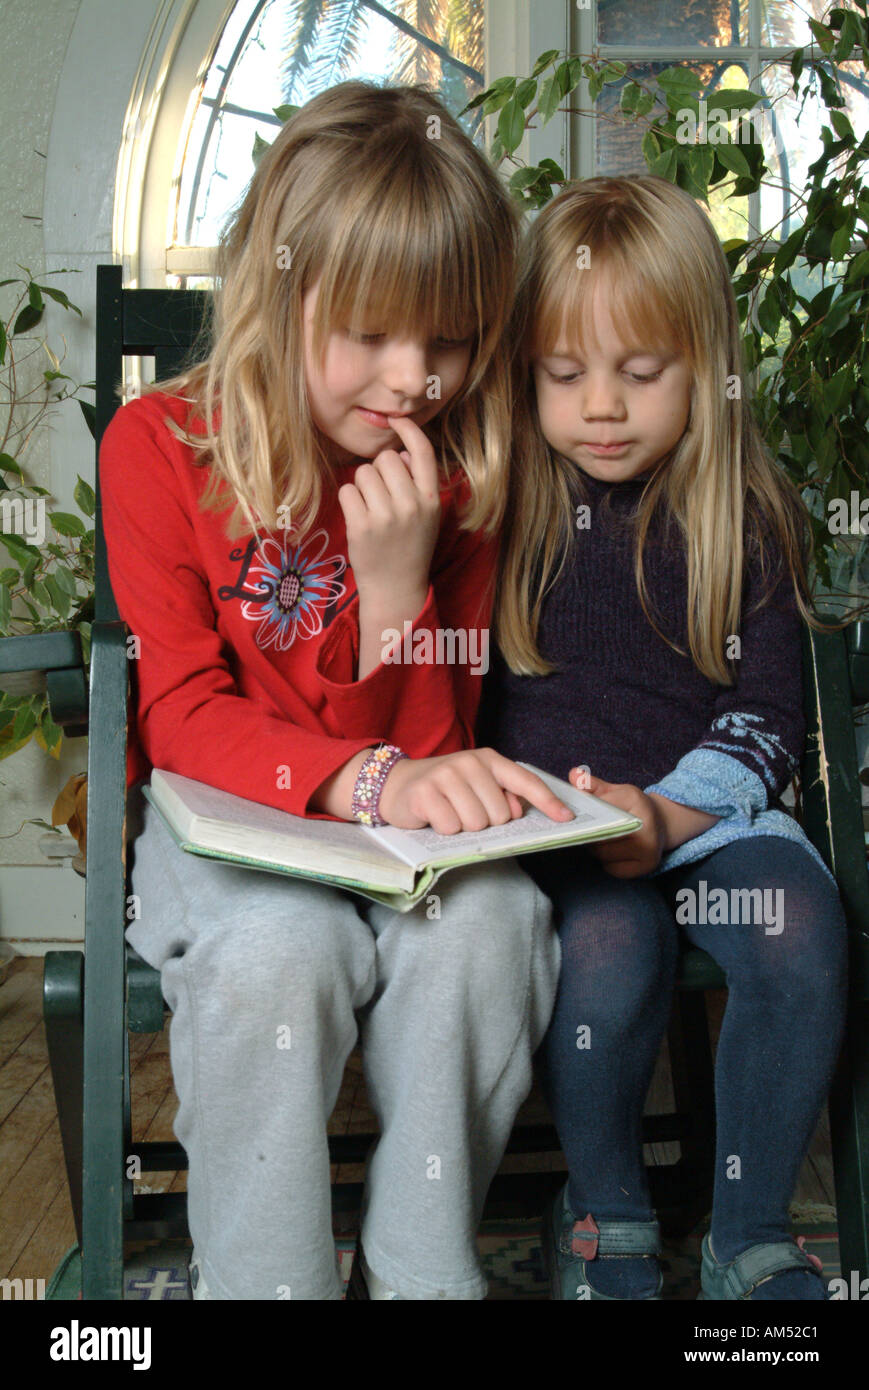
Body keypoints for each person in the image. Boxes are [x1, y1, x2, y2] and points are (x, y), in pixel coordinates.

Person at [101, 82, 574, 1301]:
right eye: (369, 330)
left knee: (492, 924)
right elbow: (182, 715)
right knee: (279, 946)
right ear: (283, 285)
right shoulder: (160, 447)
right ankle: (267, 1285)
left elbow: (436, 742)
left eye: (451, 339)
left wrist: (396, 589)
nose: (413, 379)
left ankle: (424, 1269)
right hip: (231, 835)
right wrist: (365, 773)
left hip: (394, 833)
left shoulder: (456, 477)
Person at [477, 175, 848, 1301]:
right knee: (609, 950)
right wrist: (586, 822)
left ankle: (747, 1228)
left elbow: (767, 715)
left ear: (706, 368)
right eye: (563, 373)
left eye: (641, 374)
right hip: (559, 828)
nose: (601, 405)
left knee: (794, 926)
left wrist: (670, 815)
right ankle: (604, 1217)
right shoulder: (500, 508)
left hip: (707, 815)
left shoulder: (746, 515)